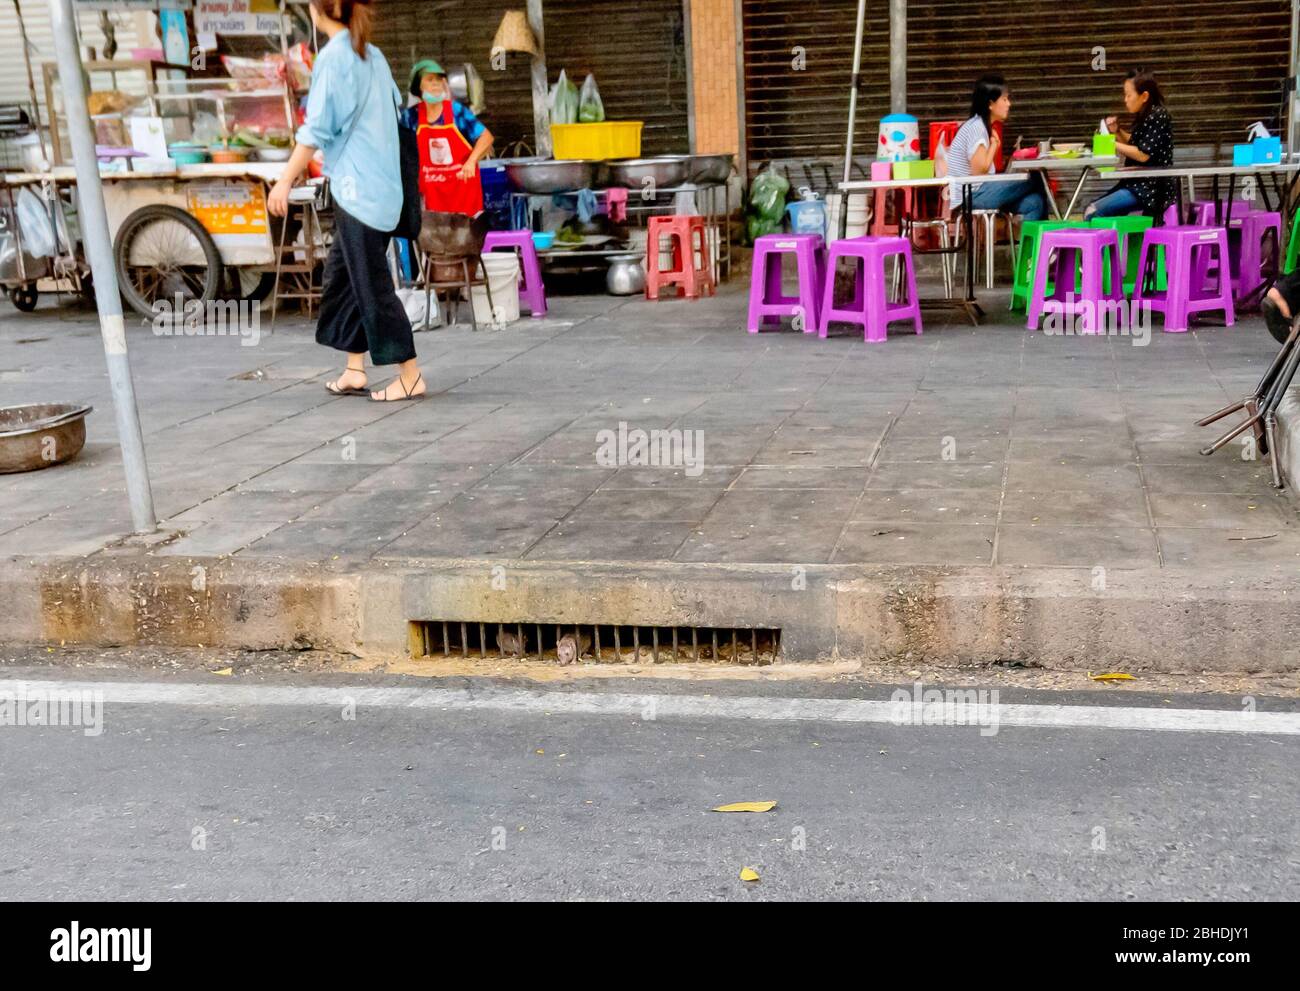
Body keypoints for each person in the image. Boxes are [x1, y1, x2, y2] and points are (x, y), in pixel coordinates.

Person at [267, 0, 425, 402]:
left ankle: (409, 373)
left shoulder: (335, 58)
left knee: (370, 283)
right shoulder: (372, 55)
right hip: (382, 190)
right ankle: (355, 369)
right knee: (344, 278)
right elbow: (393, 115)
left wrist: (284, 182)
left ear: (315, 9)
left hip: (360, 193)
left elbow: (315, 128)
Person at [945, 73, 1046, 221]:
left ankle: (1034, 243)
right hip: (972, 195)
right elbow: (979, 171)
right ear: (990, 104)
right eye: (1004, 99)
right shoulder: (977, 127)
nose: (1008, 104)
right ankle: (1055, 237)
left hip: (982, 191)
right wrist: (994, 146)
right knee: (1036, 177)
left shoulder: (981, 126)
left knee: (1035, 203)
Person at [400, 59, 493, 215]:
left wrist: (471, 161)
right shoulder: (410, 117)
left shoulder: (456, 111)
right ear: (419, 86)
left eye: (439, 79)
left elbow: (486, 137)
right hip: (429, 200)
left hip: (463, 197)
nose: (436, 84)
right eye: (430, 80)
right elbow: (400, 151)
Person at [1084, 68, 1175, 220]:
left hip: (1151, 188)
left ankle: (1108, 244)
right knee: (1092, 207)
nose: (1125, 99)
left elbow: (1143, 154)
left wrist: (1109, 142)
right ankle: (1116, 242)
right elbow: (1135, 143)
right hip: (1136, 184)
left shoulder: (1158, 115)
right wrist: (1117, 131)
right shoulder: (1145, 115)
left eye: (1129, 95)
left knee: (1093, 212)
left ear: (1144, 96)